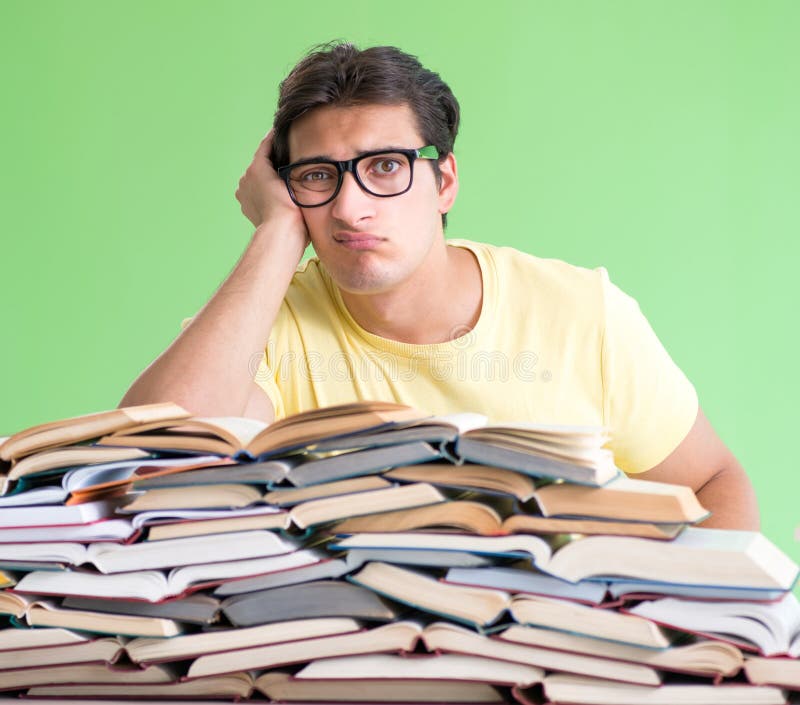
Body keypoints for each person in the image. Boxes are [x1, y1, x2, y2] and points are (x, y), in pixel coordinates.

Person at [120, 42, 758, 530]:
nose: (351, 208)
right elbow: (151, 454)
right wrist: (276, 235)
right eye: (318, 176)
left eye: (386, 167)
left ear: (444, 182)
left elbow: (713, 480)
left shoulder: (581, 314)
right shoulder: (267, 322)